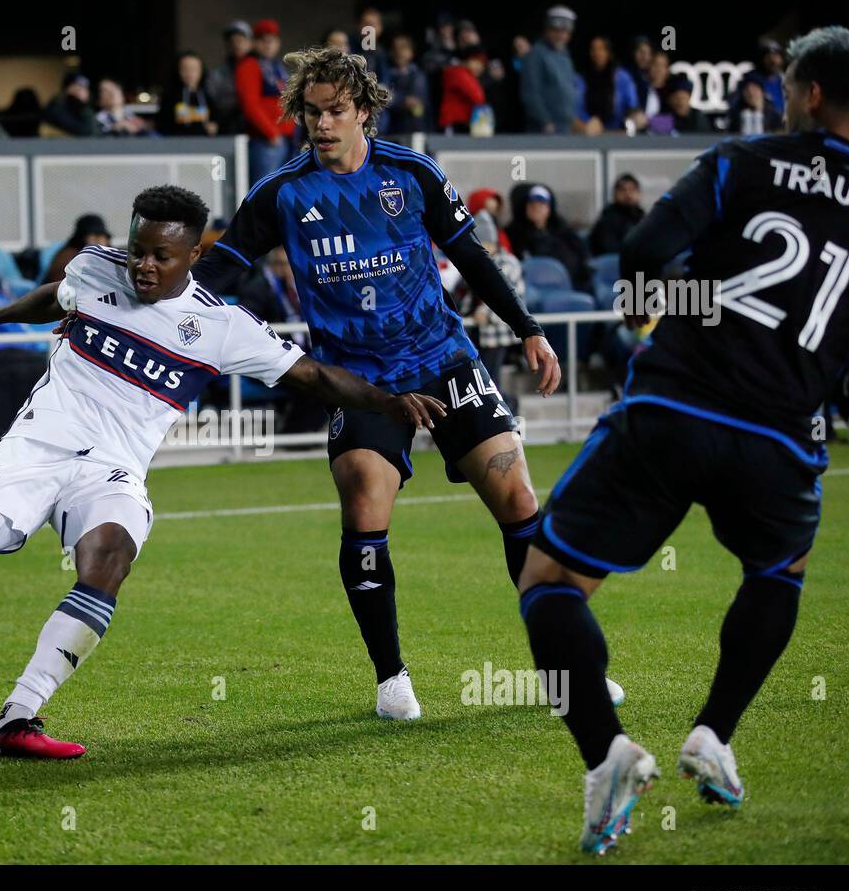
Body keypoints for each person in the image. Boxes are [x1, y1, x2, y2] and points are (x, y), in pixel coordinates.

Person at [0, 184, 445, 757]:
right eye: (138, 249)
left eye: (161, 256)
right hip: (36, 446)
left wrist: (388, 402)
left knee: (109, 557)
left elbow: (313, 374)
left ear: (194, 255)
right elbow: (57, 297)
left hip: (113, 469)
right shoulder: (95, 267)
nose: (144, 265)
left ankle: (15, 720)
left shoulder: (220, 328)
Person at [516, 25, 849, 854]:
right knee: (780, 570)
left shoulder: (742, 161)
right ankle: (714, 732)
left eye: (788, 84)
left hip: (675, 408)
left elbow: (641, 251)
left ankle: (606, 754)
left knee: (550, 577)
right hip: (781, 437)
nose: (782, 96)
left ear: (811, 93)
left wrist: (662, 311)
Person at [191, 47, 593, 722]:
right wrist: (155, 320)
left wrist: (527, 327)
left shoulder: (412, 173)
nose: (320, 125)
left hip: (443, 358)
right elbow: (219, 273)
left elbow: (470, 253)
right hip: (357, 378)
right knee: (363, 500)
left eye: (335, 112)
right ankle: (391, 680)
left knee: (520, 497)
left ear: (364, 111)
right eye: (310, 113)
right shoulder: (281, 194)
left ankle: (563, 672)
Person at [452, 210, 524, 415]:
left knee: (490, 382)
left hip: (495, 334)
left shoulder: (507, 263)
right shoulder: (474, 262)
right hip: (475, 332)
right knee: (479, 382)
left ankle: (510, 411)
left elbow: (505, 294)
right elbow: (463, 295)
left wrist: (484, 313)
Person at [236, 19, 295, 183]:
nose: (268, 44)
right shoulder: (249, 65)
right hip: (266, 141)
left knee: (279, 191)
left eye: (272, 40)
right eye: (263, 40)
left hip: (285, 138)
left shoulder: (276, 66)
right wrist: (271, 133)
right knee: (264, 190)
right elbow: (250, 105)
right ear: (254, 42)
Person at [507, 184, 591, 290]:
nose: (536, 209)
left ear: (549, 208)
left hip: (566, 284)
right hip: (532, 286)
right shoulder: (514, 233)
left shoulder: (563, 231)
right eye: (532, 205)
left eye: (541, 205)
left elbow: (581, 256)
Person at [520, 5, 580, 134]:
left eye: (565, 32)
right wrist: (545, 121)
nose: (561, 35)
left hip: (566, 127)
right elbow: (530, 93)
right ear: (547, 30)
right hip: (545, 129)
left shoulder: (565, 56)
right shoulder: (536, 54)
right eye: (556, 30)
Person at [575, 36, 640, 132]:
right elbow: (577, 108)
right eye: (593, 49)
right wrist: (588, 123)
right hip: (590, 132)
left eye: (601, 49)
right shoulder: (580, 79)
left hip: (617, 133)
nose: (597, 53)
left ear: (608, 52)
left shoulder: (622, 78)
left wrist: (634, 117)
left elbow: (633, 106)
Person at [204, 21, 252, 135]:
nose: (236, 44)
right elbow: (212, 103)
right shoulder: (217, 74)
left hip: (258, 133)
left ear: (250, 43)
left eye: (240, 40)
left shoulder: (262, 69)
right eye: (231, 41)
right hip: (228, 130)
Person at [158, 52, 216, 136]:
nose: (189, 74)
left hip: (204, 143)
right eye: (185, 69)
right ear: (178, 71)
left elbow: (216, 120)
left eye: (194, 69)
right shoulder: (170, 97)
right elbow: (162, 123)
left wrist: (214, 127)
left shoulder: (208, 96)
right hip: (177, 143)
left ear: (201, 71)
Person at [43, 213, 112, 284]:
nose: (100, 240)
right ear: (82, 237)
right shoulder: (68, 257)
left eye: (102, 236)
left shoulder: (110, 256)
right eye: (94, 236)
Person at [382, 34, 429, 134]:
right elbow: (383, 97)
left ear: (411, 52)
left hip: (415, 129)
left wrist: (395, 99)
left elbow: (416, 103)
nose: (399, 52)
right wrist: (402, 100)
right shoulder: (385, 74)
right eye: (395, 48)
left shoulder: (418, 76)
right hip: (391, 130)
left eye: (403, 48)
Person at [588, 173, 645, 255]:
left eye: (632, 190)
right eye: (623, 190)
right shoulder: (608, 219)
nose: (628, 194)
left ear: (639, 193)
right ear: (615, 194)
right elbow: (608, 249)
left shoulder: (642, 217)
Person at [41, 73, 97, 137]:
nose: (82, 93)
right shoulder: (57, 107)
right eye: (78, 89)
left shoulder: (87, 109)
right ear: (67, 89)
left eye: (84, 89)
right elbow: (83, 131)